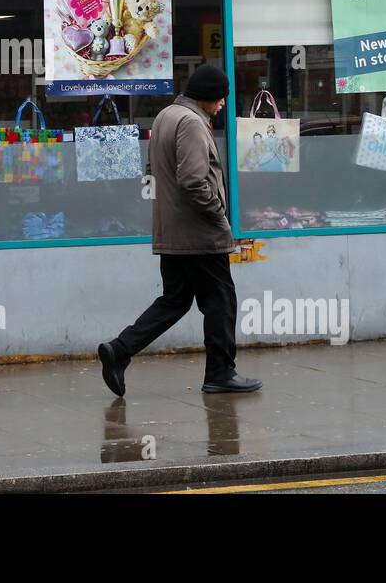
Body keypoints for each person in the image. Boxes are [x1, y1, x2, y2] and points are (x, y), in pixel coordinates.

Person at [97, 64, 262, 396]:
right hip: (199, 235)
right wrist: (220, 219)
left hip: (172, 232)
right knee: (221, 302)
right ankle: (220, 373)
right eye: (221, 99)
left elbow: (152, 172)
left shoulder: (166, 116)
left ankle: (120, 349)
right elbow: (193, 181)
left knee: (175, 301)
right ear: (209, 97)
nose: (223, 105)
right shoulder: (190, 123)